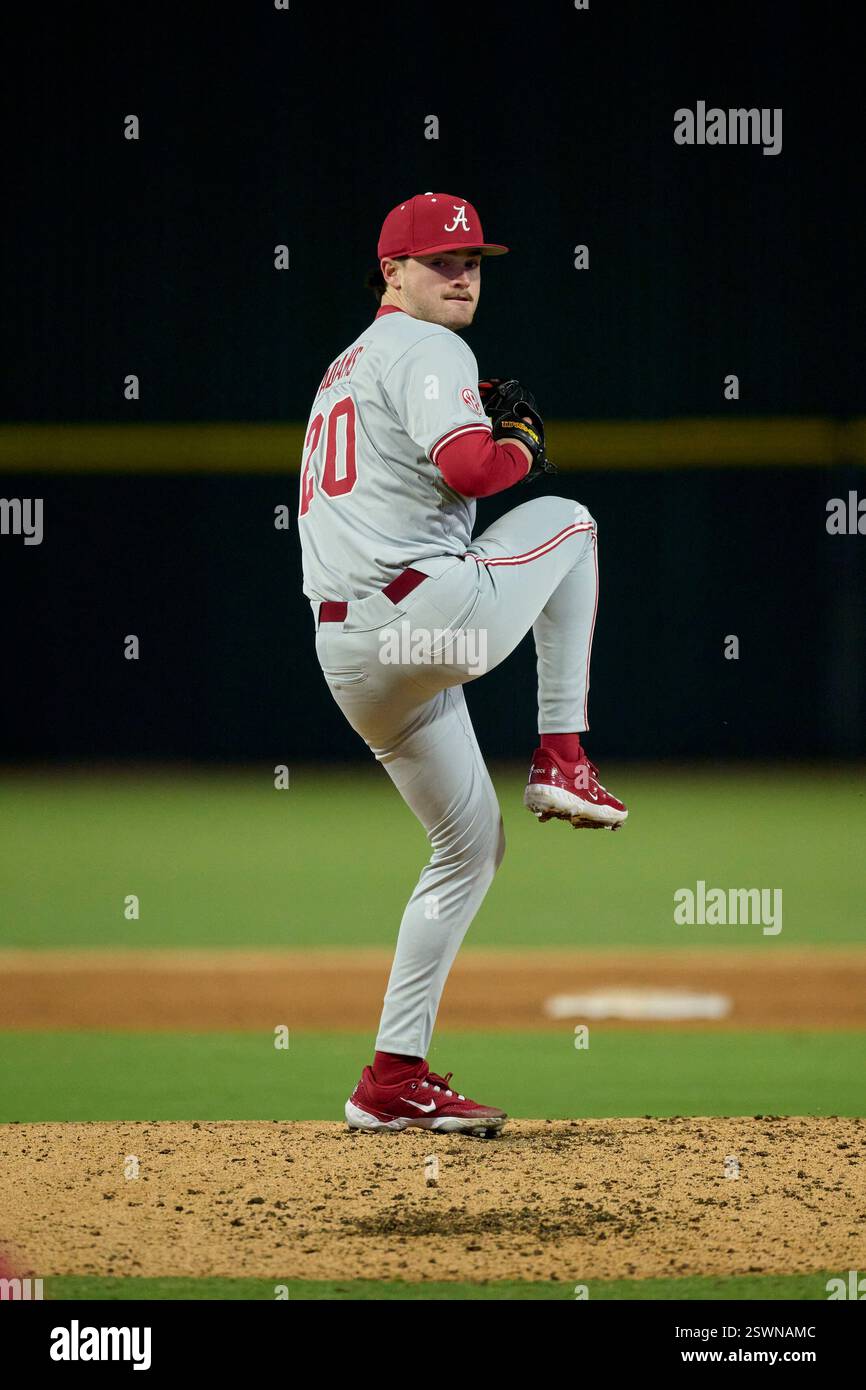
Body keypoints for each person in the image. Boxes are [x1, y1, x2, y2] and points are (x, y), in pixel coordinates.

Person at [298, 192, 627, 1138]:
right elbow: (475, 472)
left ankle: (390, 1078)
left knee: (466, 849)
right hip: (428, 612)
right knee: (572, 522)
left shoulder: (345, 366)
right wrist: (519, 445)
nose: (463, 273)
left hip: (351, 654)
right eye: (442, 260)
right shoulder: (429, 348)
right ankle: (563, 754)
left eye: (474, 259)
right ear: (390, 271)